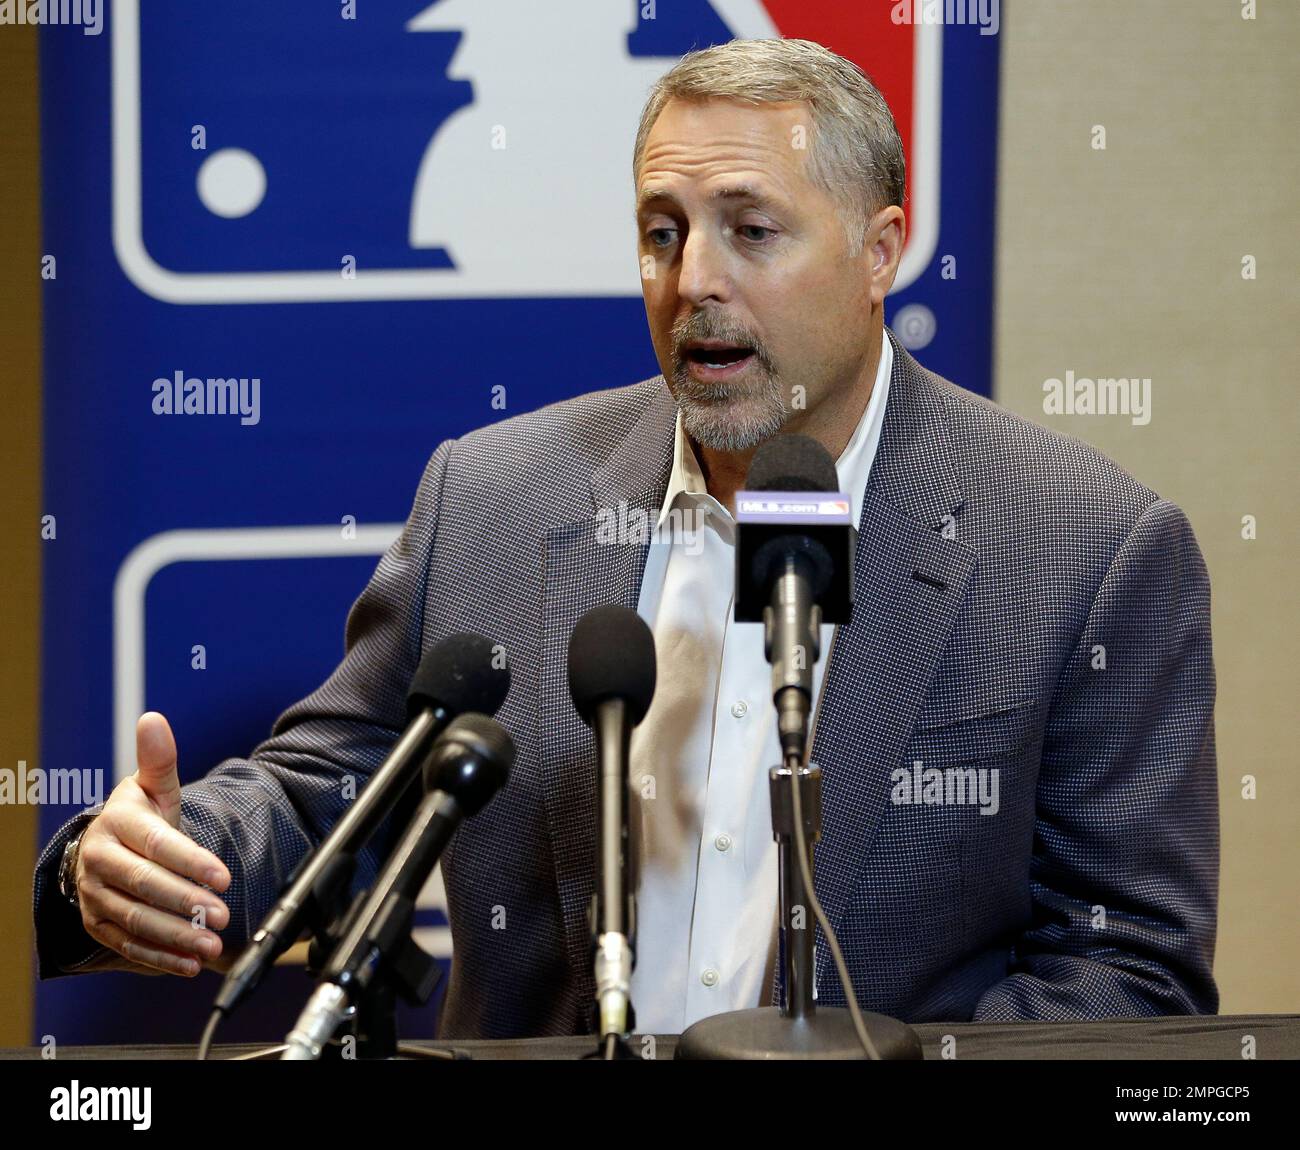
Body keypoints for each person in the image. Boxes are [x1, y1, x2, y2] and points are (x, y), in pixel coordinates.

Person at [33, 38, 1219, 1038]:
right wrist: (158, 858)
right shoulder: (491, 496)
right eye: (661, 232)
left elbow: (1126, 978)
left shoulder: (1086, 550)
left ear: (878, 253)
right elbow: (322, 799)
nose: (692, 278)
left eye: (752, 231)